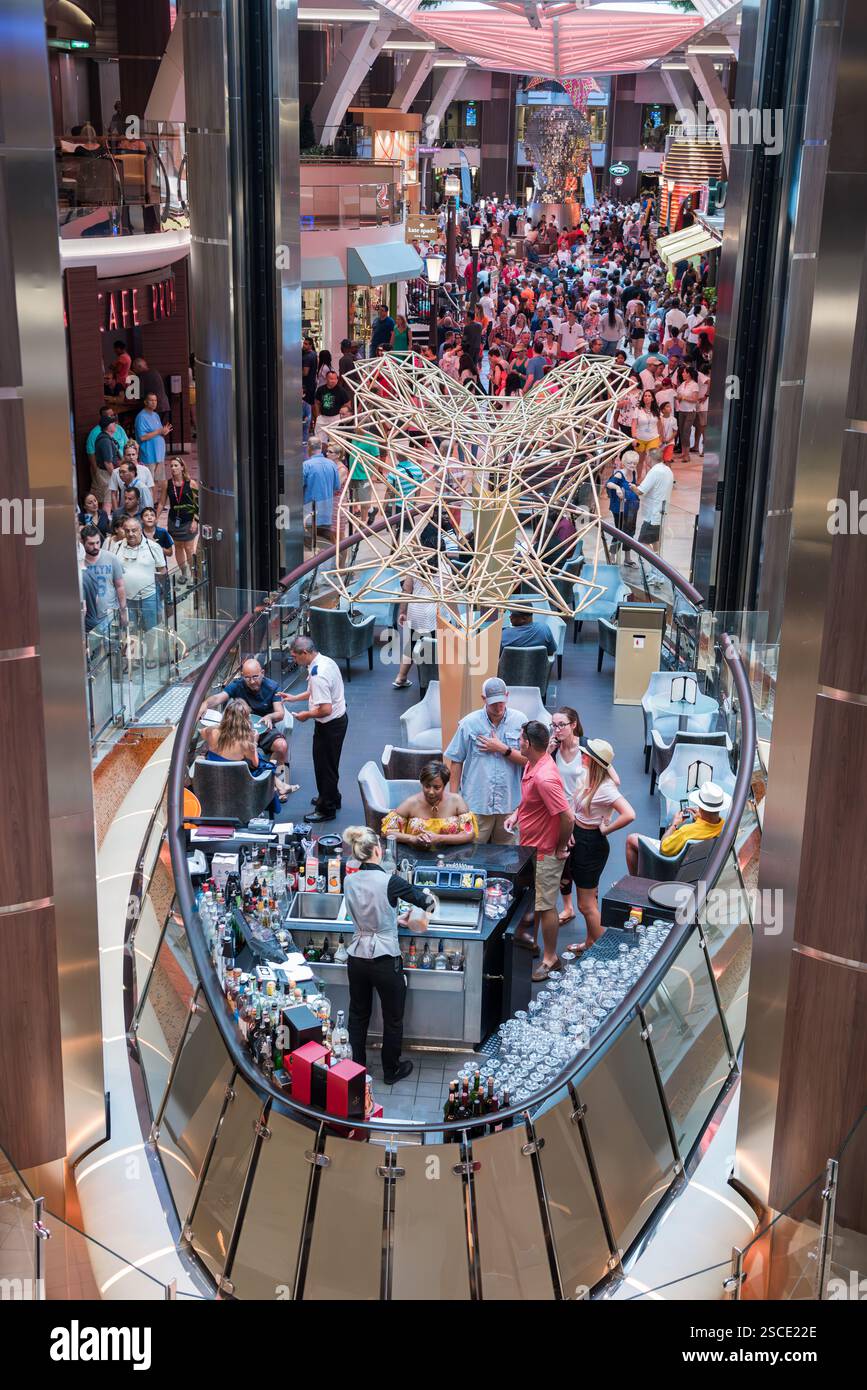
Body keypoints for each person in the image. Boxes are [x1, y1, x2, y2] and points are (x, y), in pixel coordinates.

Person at [340, 824, 436, 1084]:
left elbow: (367, 911)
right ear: (377, 851)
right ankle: (391, 1070)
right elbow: (427, 902)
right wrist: (413, 918)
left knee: (358, 1015)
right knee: (392, 1018)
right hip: (385, 960)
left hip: (357, 957)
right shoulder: (389, 881)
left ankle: (356, 1071)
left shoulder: (348, 879)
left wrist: (393, 919)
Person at [502, 721, 575, 982]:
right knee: (533, 899)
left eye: (520, 739)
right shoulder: (532, 764)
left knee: (545, 906)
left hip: (545, 852)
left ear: (528, 744)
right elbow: (530, 802)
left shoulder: (545, 777)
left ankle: (551, 959)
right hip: (530, 847)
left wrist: (559, 846)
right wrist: (517, 815)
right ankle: (532, 943)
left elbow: (567, 816)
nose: (517, 742)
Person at [565, 739, 635, 955]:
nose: (582, 756)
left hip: (590, 844)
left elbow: (630, 814)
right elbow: (614, 777)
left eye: (587, 755)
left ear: (594, 761)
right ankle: (590, 942)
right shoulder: (592, 778)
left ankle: (606, 949)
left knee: (586, 905)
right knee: (589, 900)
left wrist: (607, 828)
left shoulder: (604, 788)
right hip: (581, 839)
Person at [444, 677, 528, 844]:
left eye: (501, 702)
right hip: (477, 803)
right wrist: (454, 799)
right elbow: (456, 761)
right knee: (472, 854)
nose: (498, 707)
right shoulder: (469, 723)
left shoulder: (520, 722)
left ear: (507, 695)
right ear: (483, 699)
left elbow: (530, 761)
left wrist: (503, 749)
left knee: (507, 856)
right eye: (493, 703)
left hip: (509, 803)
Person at [200, 657, 293, 792]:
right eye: (247, 678)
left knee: (282, 746)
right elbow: (219, 697)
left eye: (255, 677)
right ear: (243, 676)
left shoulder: (272, 687)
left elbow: (280, 713)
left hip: (264, 727)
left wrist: (269, 716)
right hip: (240, 730)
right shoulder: (238, 684)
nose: (252, 681)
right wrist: (206, 703)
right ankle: (266, 783)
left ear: (262, 672)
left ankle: (280, 778)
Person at [282, 635, 348, 823]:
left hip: (330, 725)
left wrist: (306, 715)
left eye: (295, 656)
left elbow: (325, 708)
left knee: (324, 767)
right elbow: (314, 692)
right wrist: (294, 698)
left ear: (305, 653)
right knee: (330, 764)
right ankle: (332, 798)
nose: (294, 660)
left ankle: (326, 809)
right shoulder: (324, 661)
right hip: (339, 719)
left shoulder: (319, 674)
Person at [202, 698, 283, 819]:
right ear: (246, 719)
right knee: (262, 765)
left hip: (214, 780)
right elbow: (255, 764)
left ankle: (280, 785)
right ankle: (278, 786)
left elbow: (202, 733)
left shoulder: (211, 732)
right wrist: (254, 742)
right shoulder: (246, 743)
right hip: (239, 784)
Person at [626, 780, 730, 874]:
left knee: (631, 839)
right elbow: (707, 827)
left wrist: (674, 824)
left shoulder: (686, 831)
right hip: (699, 867)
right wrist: (699, 819)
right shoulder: (726, 826)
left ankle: (634, 881)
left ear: (700, 807)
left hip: (672, 865)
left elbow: (664, 848)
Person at [112, 517, 167, 668]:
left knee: (151, 627)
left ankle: (150, 654)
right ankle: (134, 658)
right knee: (131, 628)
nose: (130, 534)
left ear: (140, 529)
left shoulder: (153, 546)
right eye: (127, 530)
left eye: (134, 530)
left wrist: (161, 594)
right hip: (126, 598)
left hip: (149, 595)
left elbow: (162, 570)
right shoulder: (116, 547)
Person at [382, 760, 477, 848]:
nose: (431, 792)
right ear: (422, 783)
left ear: (444, 785)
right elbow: (387, 832)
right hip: (417, 855)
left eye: (437, 787)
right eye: (427, 786)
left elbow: (469, 834)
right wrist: (413, 839)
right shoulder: (411, 803)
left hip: (451, 856)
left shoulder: (456, 801)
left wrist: (440, 838)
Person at [548, 707, 585, 925]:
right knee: (563, 861)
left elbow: (607, 780)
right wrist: (547, 752)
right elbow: (540, 776)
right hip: (560, 814)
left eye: (561, 724)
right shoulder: (552, 751)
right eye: (554, 725)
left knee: (581, 863)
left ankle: (588, 906)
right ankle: (568, 907)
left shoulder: (587, 748)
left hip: (582, 815)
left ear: (573, 725)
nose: (557, 729)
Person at [80, 525, 127, 634]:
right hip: (88, 619)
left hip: (109, 615)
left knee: (113, 648)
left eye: (97, 542)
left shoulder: (111, 558)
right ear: (82, 543)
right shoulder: (79, 562)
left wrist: (123, 611)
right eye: (91, 544)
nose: (96, 546)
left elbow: (120, 586)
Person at [166, 457, 199, 584]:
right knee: (178, 547)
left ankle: (193, 574)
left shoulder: (191, 484)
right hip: (174, 520)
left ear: (182, 467)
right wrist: (155, 518)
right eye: (171, 466)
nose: (173, 468)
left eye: (175, 465)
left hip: (188, 520)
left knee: (189, 548)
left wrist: (195, 521)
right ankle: (184, 573)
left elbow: (197, 504)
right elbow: (162, 502)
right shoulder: (167, 484)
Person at [634, 447, 674, 554]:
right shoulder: (668, 470)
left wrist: (631, 486)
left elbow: (640, 491)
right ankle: (657, 567)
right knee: (655, 541)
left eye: (646, 456)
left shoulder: (654, 471)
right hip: (661, 514)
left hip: (652, 515)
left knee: (642, 543)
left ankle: (655, 567)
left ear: (650, 458)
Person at [303, 440, 343, 535]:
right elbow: (337, 486)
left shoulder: (306, 465)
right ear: (321, 448)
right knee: (324, 545)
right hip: (327, 513)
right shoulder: (332, 465)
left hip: (310, 513)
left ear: (309, 448)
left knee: (310, 544)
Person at [135, 391, 172, 468]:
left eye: (155, 400)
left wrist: (163, 432)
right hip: (149, 457)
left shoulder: (156, 415)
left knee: (160, 480)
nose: (154, 403)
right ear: (145, 402)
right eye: (151, 400)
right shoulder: (141, 417)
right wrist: (159, 431)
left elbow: (159, 432)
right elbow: (142, 437)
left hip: (160, 455)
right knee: (149, 480)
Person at [313, 368, 350, 441]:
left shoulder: (341, 390)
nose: (333, 381)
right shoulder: (321, 389)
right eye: (331, 379)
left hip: (335, 418)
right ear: (326, 379)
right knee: (319, 439)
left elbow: (348, 403)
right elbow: (317, 402)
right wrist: (317, 415)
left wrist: (343, 410)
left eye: (335, 379)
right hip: (322, 418)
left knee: (334, 441)